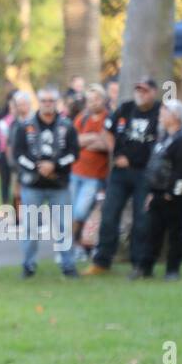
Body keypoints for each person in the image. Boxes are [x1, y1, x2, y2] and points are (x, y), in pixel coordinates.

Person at [85, 77, 160, 276]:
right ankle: (102, 261)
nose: (141, 94)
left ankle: (139, 264)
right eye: (138, 90)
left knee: (141, 219)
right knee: (109, 214)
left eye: (145, 91)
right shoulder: (126, 108)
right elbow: (107, 132)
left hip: (145, 173)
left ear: (153, 92)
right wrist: (116, 154)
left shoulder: (160, 112)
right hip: (120, 173)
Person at [11, 86, 79, 278]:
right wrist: (37, 167)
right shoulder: (26, 126)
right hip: (33, 184)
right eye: (44, 101)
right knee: (30, 227)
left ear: (56, 103)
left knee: (64, 226)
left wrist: (54, 166)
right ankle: (28, 265)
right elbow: (18, 154)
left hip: (59, 184)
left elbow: (74, 153)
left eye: (51, 101)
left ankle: (68, 266)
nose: (48, 104)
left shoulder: (67, 125)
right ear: (38, 103)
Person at [139, 99, 182, 280]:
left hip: (175, 195)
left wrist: (172, 194)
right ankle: (145, 268)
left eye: (164, 112)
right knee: (153, 231)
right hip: (157, 192)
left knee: (174, 232)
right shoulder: (163, 137)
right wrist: (151, 192)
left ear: (175, 116)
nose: (160, 115)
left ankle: (172, 270)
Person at [70, 83, 110, 254]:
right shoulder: (82, 118)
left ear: (103, 100)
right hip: (76, 172)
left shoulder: (108, 118)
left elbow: (107, 144)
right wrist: (93, 137)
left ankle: (80, 243)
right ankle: (75, 245)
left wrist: (87, 140)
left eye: (96, 99)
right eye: (90, 100)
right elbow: (74, 141)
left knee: (81, 211)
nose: (93, 103)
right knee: (73, 211)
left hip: (95, 175)